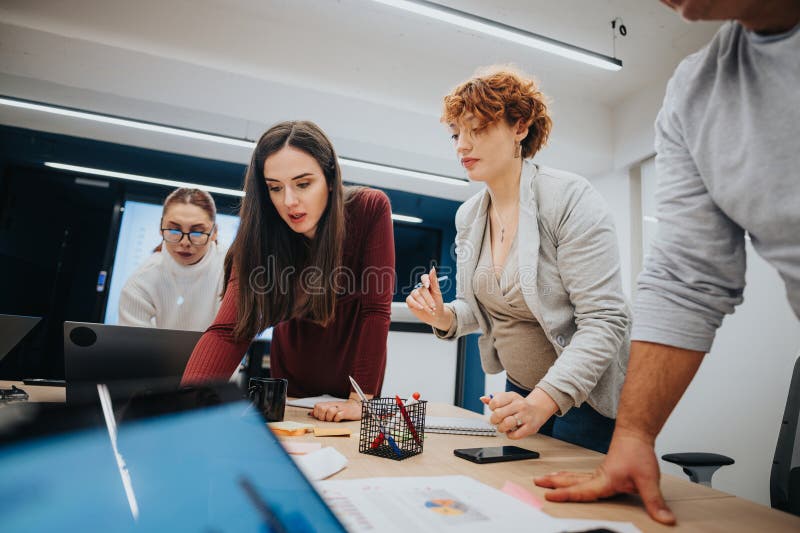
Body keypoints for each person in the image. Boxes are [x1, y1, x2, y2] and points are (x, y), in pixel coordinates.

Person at [533, 0, 800, 525]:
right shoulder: (696, 93)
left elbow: (605, 318)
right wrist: (634, 435)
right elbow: (685, 279)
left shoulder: (570, 199)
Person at [406, 66, 631, 453]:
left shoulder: (568, 199)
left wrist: (542, 402)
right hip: (522, 391)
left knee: (575, 506)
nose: (462, 145)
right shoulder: (469, 216)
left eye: (478, 130)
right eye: (456, 134)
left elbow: (605, 321)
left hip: (586, 397)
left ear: (520, 128)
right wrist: (443, 317)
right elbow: (480, 307)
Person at [181, 120, 395, 422]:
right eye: (275, 188)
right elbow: (229, 331)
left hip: (355, 381)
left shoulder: (368, 209)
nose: (289, 201)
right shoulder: (260, 237)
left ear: (330, 179)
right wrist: (187, 404)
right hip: (292, 373)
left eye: (303, 184)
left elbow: (375, 310)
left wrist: (362, 400)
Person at [119, 187, 225, 331]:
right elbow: (133, 345)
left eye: (197, 232)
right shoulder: (142, 280)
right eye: (174, 230)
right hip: (159, 354)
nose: (185, 242)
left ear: (214, 232)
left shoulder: (231, 270)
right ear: (161, 228)